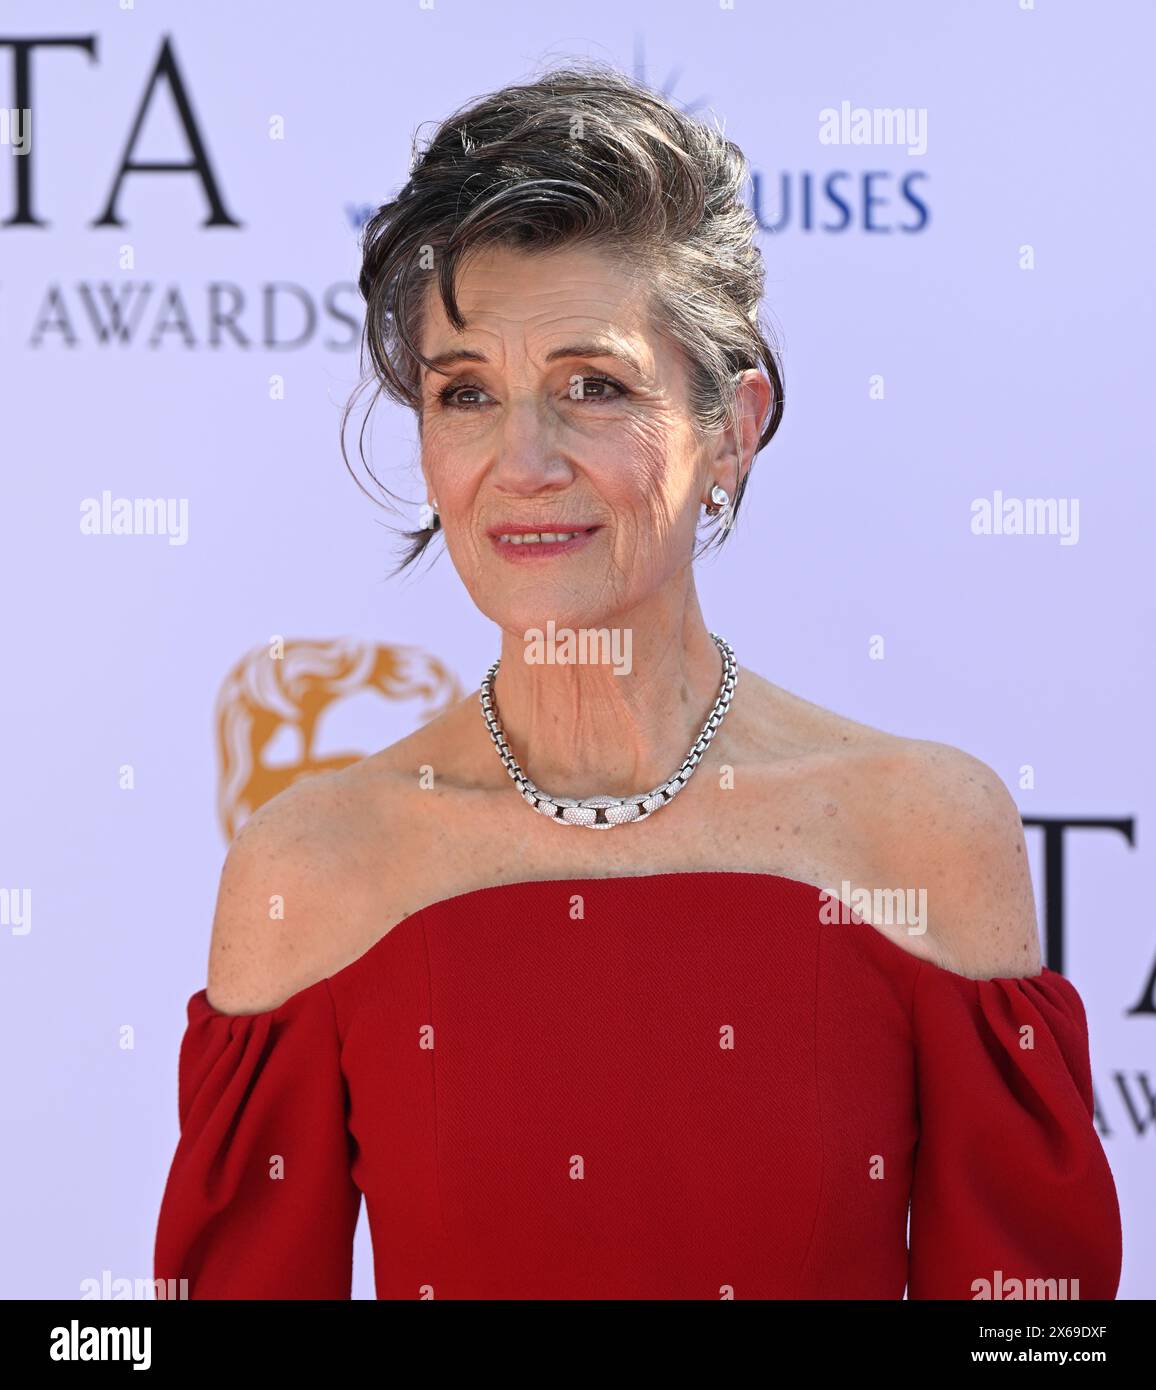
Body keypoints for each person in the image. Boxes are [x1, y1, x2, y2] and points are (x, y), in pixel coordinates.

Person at [153, 62, 1121, 1299]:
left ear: (732, 428)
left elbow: (1033, 1326)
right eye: (465, 395)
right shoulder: (309, 868)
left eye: (592, 387)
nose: (523, 461)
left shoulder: (922, 831)